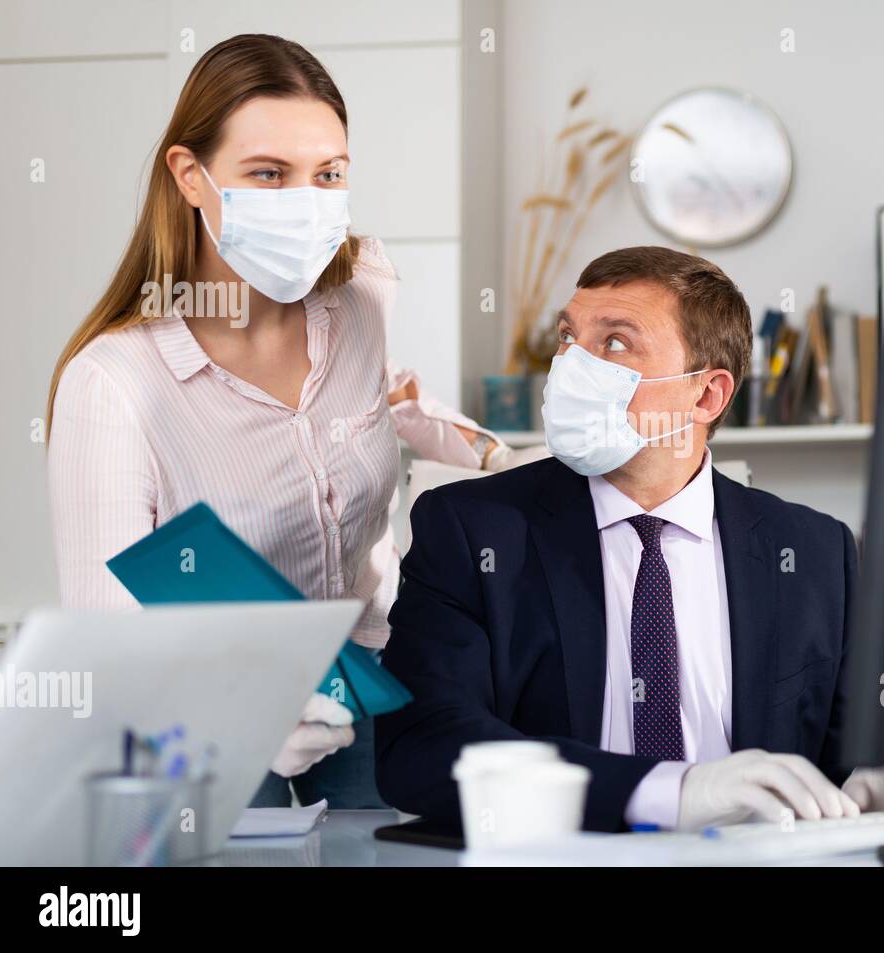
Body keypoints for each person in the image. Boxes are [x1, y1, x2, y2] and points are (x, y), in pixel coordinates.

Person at [46, 34, 533, 809]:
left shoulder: (361, 296)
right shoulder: (115, 383)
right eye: (268, 173)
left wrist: (499, 458)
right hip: (209, 724)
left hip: (379, 682)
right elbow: (106, 639)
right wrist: (240, 716)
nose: (305, 202)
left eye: (328, 174)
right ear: (191, 175)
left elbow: (390, 396)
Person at [377, 246, 884, 832]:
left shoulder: (815, 552)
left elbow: (844, 756)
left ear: (706, 395)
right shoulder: (471, 530)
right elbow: (420, 746)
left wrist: (879, 774)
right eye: (567, 337)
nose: (570, 366)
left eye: (614, 343)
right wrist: (669, 793)